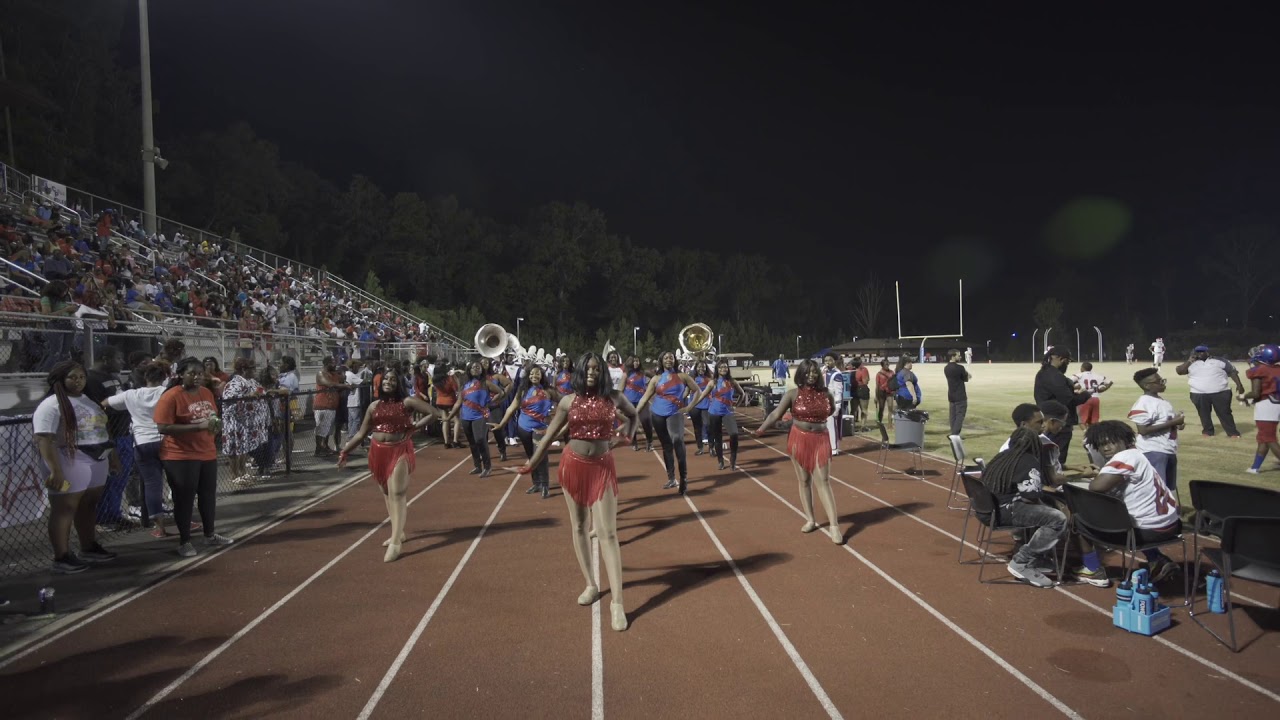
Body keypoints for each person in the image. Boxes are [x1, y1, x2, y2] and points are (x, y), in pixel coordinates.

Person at [519, 352, 638, 632]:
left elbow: (632, 417)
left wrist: (622, 439)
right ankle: (591, 584)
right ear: (580, 371)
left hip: (602, 467)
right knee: (580, 526)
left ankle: (617, 602)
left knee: (608, 531)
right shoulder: (567, 401)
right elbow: (549, 435)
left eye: (597, 369)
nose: (592, 372)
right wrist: (531, 464)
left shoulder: (615, 398)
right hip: (572, 465)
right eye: (587, 368)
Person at [338, 367, 436, 562]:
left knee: (397, 493)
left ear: (398, 383)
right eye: (385, 379)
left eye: (392, 379)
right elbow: (360, 433)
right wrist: (345, 451)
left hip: (399, 450)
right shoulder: (373, 406)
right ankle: (398, 532)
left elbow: (433, 412)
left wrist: (414, 427)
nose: (388, 382)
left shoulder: (407, 402)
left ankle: (395, 543)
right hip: (378, 451)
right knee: (386, 493)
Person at [32, 362, 120, 574]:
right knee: (65, 508)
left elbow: (103, 429)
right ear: (60, 379)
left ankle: (88, 546)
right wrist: (55, 470)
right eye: (73, 377)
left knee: (89, 504)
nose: (78, 381)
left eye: (81, 377)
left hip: (96, 457)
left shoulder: (87, 400)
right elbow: (44, 438)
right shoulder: (51, 404)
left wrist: (114, 457)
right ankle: (61, 555)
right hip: (69, 458)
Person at [753, 359, 843, 544]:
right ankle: (810, 519)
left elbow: (832, 410)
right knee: (804, 481)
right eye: (808, 372)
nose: (811, 375)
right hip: (798, 439)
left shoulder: (826, 394)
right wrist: (761, 430)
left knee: (824, 481)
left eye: (814, 372)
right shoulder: (792, 394)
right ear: (801, 374)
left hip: (820, 440)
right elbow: (774, 414)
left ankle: (834, 526)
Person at [1084, 421, 1182, 582]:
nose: (1106, 448)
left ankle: (1090, 569)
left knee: (1080, 519)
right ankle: (1156, 559)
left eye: (1111, 442)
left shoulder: (1125, 457)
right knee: (1132, 515)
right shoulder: (1136, 455)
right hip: (1171, 525)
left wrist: (1097, 477)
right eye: (1101, 445)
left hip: (1149, 532)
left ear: (1126, 441)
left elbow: (1097, 487)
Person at [156, 357, 233, 557]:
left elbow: (211, 417)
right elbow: (163, 427)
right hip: (180, 455)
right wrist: (197, 427)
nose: (197, 377)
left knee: (208, 497)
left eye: (200, 373)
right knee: (184, 499)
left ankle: (209, 534)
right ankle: (184, 541)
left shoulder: (206, 392)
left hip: (206, 452)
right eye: (192, 373)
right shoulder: (171, 396)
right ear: (181, 374)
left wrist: (215, 425)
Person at [981, 428, 1066, 588]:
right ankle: (1022, 562)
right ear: (1035, 446)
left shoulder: (1001, 457)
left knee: (1044, 510)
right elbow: (1030, 497)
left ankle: (1036, 558)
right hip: (1006, 512)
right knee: (1057, 519)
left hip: (988, 511)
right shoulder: (1028, 461)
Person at [106, 362, 170, 537]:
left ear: (144, 378)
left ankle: (160, 527)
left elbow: (105, 403)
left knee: (151, 485)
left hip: (142, 442)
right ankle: (183, 520)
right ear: (164, 377)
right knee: (177, 483)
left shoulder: (131, 395)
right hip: (167, 440)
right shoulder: (167, 393)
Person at [634, 351, 703, 494]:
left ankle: (683, 478)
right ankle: (671, 478)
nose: (668, 360)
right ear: (661, 361)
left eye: (671, 357)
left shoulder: (683, 376)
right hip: (657, 415)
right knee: (666, 446)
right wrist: (634, 413)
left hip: (675, 413)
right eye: (665, 358)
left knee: (677, 440)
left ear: (674, 360)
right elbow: (644, 398)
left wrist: (689, 407)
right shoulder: (656, 379)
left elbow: (697, 391)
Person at [83, 347, 133, 528]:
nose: (122, 363)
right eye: (118, 358)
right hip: (108, 437)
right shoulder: (91, 379)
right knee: (106, 480)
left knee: (119, 480)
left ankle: (115, 514)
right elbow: (97, 411)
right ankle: (102, 519)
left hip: (124, 434)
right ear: (105, 358)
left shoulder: (114, 376)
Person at [492, 363, 560, 498]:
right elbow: (511, 408)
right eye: (532, 373)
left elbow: (564, 402)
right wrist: (501, 424)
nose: (535, 375)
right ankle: (536, 483)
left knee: (540, 457)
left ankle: (545, 485)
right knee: (531, 456)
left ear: (542, 375)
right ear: (528, 376)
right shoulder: (522, 391)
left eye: (537, 373)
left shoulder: (549, 391)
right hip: (523, 429)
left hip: (540, 430)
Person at [445, 360, 507, 477]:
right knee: (472, 443)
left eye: (478, 367)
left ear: (482, 370)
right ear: (469, 370)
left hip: (480, 416)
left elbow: (500, 392)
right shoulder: (464, 385)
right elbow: (458, 403)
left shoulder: (486, 383)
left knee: (480, 440)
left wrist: (490, 402)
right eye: (473, 367)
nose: (476, 369)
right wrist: (449, 417)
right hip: (465, 417)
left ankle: (487, 467)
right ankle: (477, 466)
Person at [1128, 369, 1183, 493]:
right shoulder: (1143, 403)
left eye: (1162, 380)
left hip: (1168, 449)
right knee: (1157, 489)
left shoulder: (1162, 401)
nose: (1163, 383)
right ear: (1147, 385)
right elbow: (1143, 430)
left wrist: (1178, 424)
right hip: (1153, 451)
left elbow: (1166, 422)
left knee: (1169, 489)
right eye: (1159, 381)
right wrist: (1174, 422)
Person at [1033, 348, 1091, 465]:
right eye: (1067, 362)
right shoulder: (1056, 375)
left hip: (1046, 419)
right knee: (1056, 460)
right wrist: (1086, 395)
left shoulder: (1043, 372)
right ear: (1061, 359)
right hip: (1058, 423)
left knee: (1044, 456)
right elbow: (1068, 400)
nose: (1067, 365)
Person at [1175, 345, 1244, 438]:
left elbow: (1232, 372)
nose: (1200, 354)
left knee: (1225, 413)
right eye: (1198, 352)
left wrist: (1239, 385)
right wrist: (1189, 361)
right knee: (1204, 414)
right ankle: (1208, 431)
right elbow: (1180, 371)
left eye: (1202, 351)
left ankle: (1233, 433)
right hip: (1198, 393)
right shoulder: (1191, 363)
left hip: (1221, 392)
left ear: (1208, 352)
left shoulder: (1220, 361)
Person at [222, 356, 270, 486]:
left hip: (248, 423)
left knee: (244, 448)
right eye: (252, 368)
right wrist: (248, 396)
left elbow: (262, 391)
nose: (254, 371)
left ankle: (242, 473)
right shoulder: (234, 383)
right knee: (234, 449)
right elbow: (229, 399)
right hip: (236, 422)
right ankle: (234, 475)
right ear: (244, 369)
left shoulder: (252, 381)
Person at [689, 359, 745, 470]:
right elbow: (702, 395)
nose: (723, 369)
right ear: (717, 370)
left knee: (734, 434)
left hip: (727, 412)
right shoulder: (712, 382)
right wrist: (690, 405)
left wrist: (735, 406)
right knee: (717, 438)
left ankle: (733, 460)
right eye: (720, 367)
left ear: (728, 369)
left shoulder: (732, 382)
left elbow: (742, 394)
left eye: (725, 367)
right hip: (714, 412)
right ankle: (720, 460)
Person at [1242, 344, 1280, 474]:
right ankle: (1255, 467)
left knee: (1269, 439)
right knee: (1264, 438)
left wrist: (1242, 396)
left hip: (1267, 406)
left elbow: (1256, 393)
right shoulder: (1277, 368)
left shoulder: (1260, 370)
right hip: (1276, 404)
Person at [313, 356, 347, 456]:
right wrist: (344, 386)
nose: (334, 365)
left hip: (332, 405)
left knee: (328, 429)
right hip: (322, 405)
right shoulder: (321, 373)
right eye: (332, 363)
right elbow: (329, 384)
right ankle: (319, 449)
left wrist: (343, 379)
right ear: (326, 363)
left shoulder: (334, 374)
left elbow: (341, 380)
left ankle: (325, 446)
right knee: (321, 428)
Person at [622, 356, 655, 452]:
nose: (635, 363)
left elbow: (655, 378)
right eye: (633, 361)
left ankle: (649, 442)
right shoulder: (626, 374)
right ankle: (634, 442)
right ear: (630, 362)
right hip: (629, 402)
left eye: (637, 361)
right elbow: (621, 388)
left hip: (642, 401)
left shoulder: (644, 373)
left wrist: (650, 386)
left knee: (646, 422)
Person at [1071, 362, 1113, 430]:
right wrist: (1108, 386)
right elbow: (1108, 383)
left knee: (1081, 421)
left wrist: (1075, 387)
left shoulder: (1079, 375)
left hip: (1084, 399)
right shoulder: (1098, 376)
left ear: (1082, 368)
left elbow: (1069, 382)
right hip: (1096, 398)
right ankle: (1093, 436)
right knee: (1094, 421)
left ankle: (1087, 435)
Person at [431, 363, 461, 448]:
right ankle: (455, 441)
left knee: (445, 421)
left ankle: (446, 442)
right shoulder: (449, 379)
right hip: (450, 401)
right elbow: (456, 389)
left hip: (440, 401)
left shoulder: (435, 380)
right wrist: (456, 378)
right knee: (456, 420)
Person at [821, 354, 846, 454]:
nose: (827, 362)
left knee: (832, 426)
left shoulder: (837, 374)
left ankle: (834, 448)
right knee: (825, 426)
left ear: (834, 361)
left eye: (829, 360)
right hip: (823, 402)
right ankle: (827, 446)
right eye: (825, 360)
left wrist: (837, 406)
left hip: (832, 403)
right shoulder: (824, 371)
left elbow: (838, 392)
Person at [943, 349, 970, 436]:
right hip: (960, 395)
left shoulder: (946, 368)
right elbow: (966, 378)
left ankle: (953, 432)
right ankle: (954, 434)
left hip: (951, 395)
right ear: (953, 356)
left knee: (952, 416)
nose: (960, 357)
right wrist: (967, 374)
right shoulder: (960, 368)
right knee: (960, 415)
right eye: (958, 355)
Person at [690, 360, 713, 456]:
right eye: (699, 367)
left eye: (703, 367)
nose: (701, 368)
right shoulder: (692, 378)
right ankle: (700, 448)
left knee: (708, 425)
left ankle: (712, 447)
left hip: (706, 405)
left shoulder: (710, 378)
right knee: (697, 428)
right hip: (694, 405)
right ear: (696, 368)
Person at [849, 358, 870, 432]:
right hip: (862, 389)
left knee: (853, 410)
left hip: (853, 389)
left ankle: (852, 426)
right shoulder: (863, 370)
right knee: (864, 409)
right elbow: (865, 382)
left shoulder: (850, 369)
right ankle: (863, 426)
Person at [874, 359, 894, 425]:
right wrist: (876, 396)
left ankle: (890, 423)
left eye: (888, 364)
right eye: (886, 364)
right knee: (881, 408)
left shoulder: (892, 372)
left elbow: (894, 383)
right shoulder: (879, 374)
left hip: (890, 392)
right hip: (881, 392)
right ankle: (879, 422)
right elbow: (877, 385)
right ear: (882, 365)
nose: (888, 365)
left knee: (890, 407)